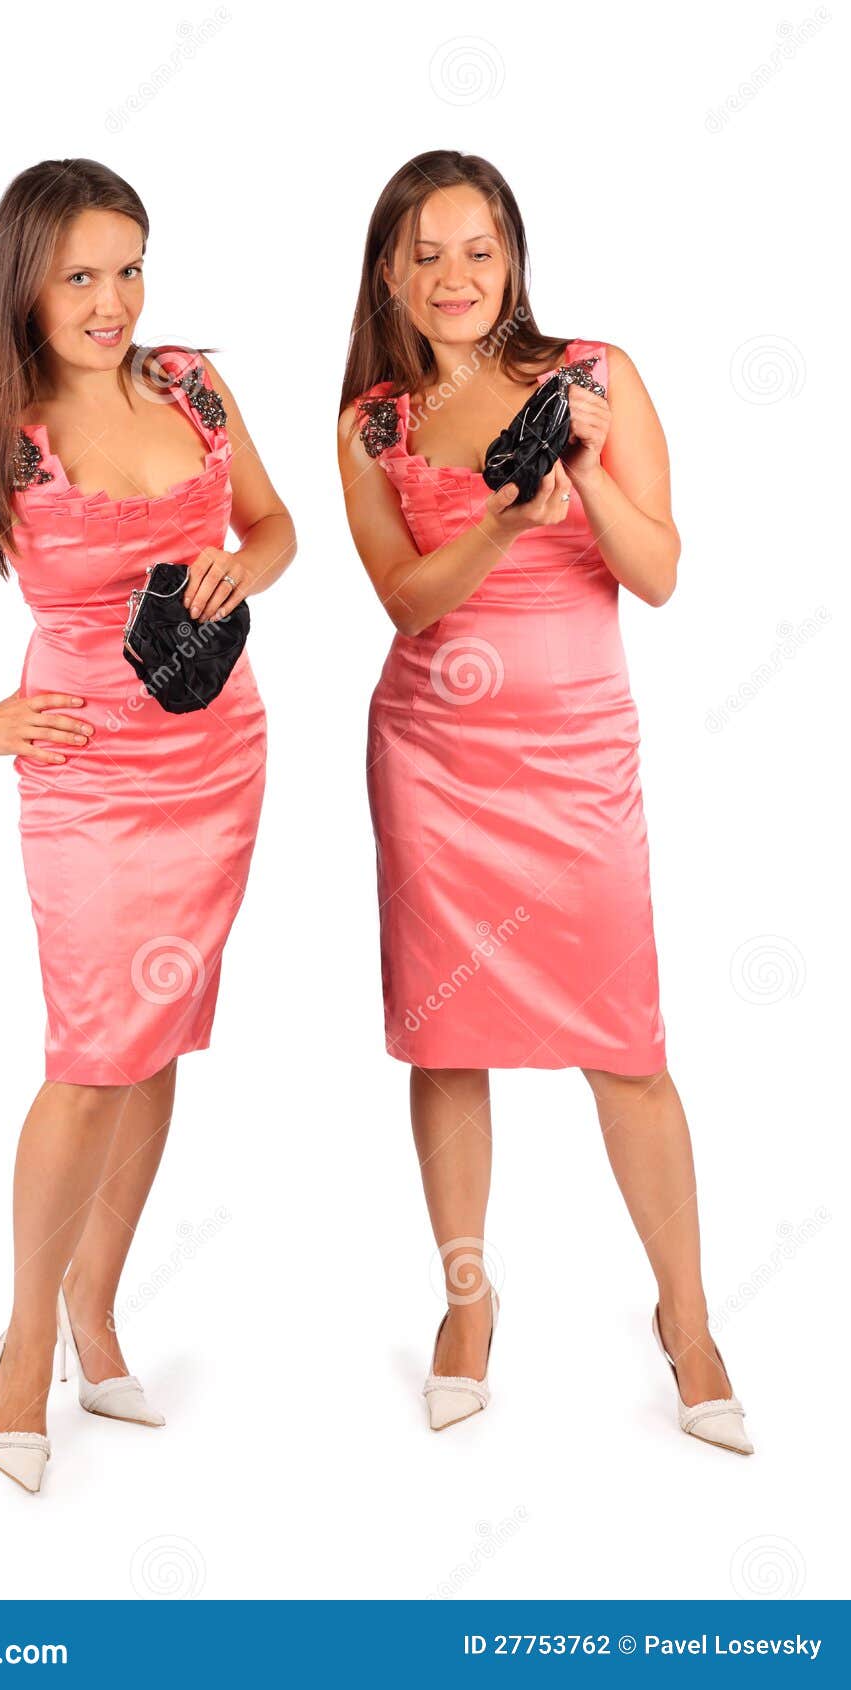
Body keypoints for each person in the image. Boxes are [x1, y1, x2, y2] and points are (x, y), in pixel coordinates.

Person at [0, 158, 295, 1493]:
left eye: (128, 268)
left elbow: (275, 525)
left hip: (219, 760)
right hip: (86, 780)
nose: (111, 299)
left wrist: (239, 563)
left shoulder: (192, 383)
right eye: (80, 273)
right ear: (23, 279)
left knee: (151, 1044)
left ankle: (97, 1310)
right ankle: (24, 1350)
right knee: (90, 1055)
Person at [336, 150, 751, 1452]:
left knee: (626, 1046)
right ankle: (467, 1302)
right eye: (428, 253)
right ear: (391, 271)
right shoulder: (374, 421)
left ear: (513, 256)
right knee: (449, 1036)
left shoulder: (599, 375)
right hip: (433, 756)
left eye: (480, 249)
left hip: (575, 755)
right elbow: (407, 598)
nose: (457, 276)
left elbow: (662, 570)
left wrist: (586, 480)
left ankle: (687, 1316)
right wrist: (508, 524)